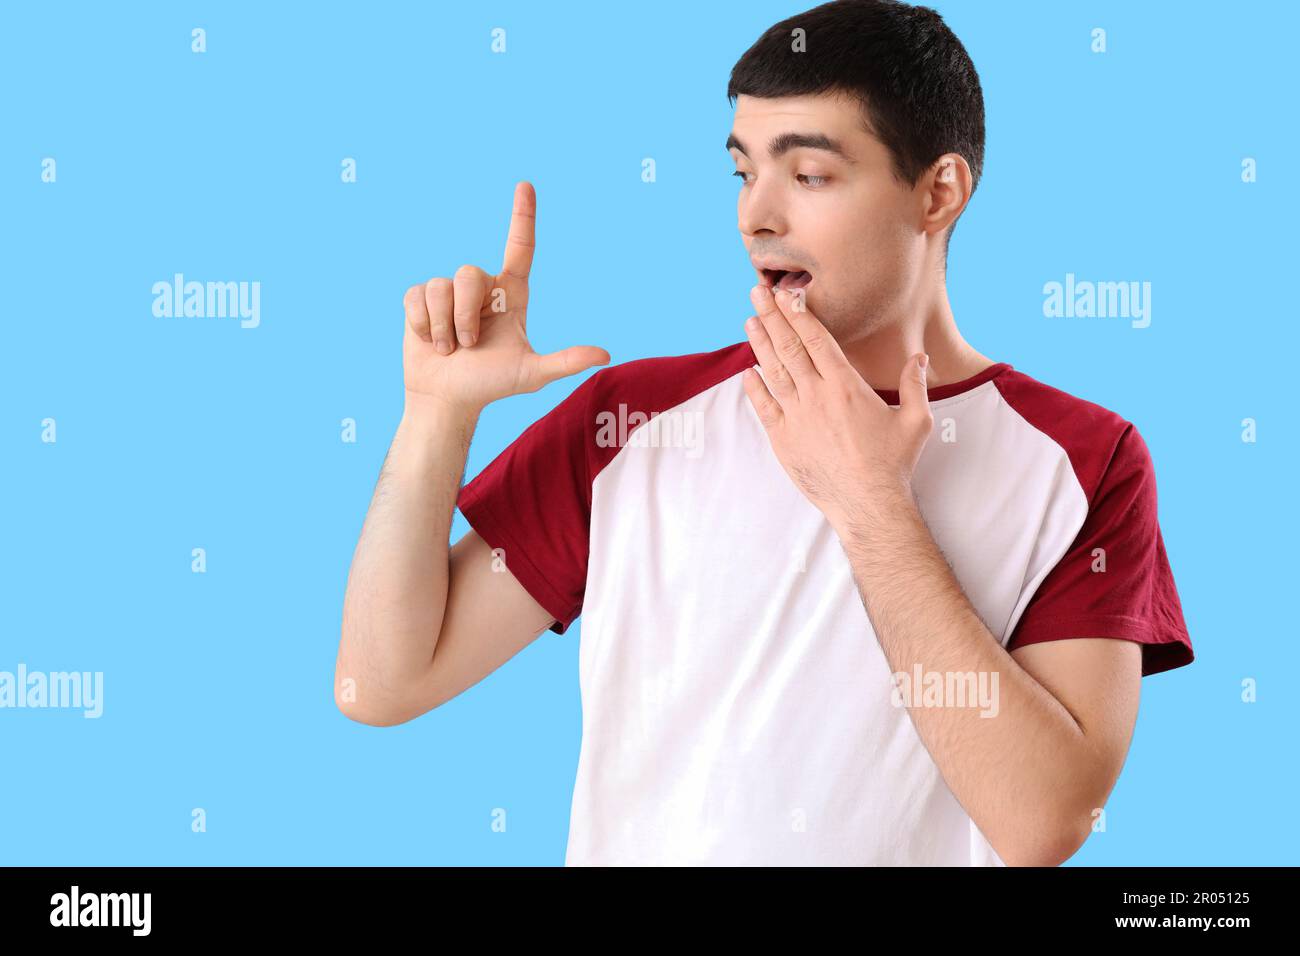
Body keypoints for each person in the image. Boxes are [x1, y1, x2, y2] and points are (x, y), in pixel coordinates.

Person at [335, 0, 1193, 866]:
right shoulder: (628, 424)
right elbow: (379, 683)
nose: (757, 216)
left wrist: (869, 502)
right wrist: (435, 417)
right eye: (744, 172)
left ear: (939, 193)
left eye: (810, 175)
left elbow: (1043, 823)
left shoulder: (1086, 460)